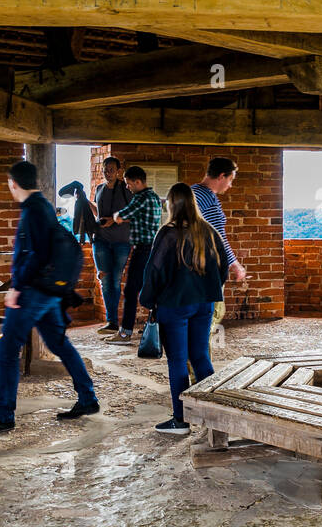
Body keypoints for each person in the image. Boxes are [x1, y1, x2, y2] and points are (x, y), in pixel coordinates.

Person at [0, 160, 99, 437]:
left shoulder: (34, 210)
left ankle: (4, 415)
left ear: (13, 183)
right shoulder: (42, 206)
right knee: (58, 343)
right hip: (49, 291)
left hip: (34, 291)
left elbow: (37, 254)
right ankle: (87, 399)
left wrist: (18, 286)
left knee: (6, 351)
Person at [139, 182, 227, 436]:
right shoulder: (208, 231)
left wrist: (148, 301)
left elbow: (154, 272)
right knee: (200, 357)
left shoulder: (168, 234)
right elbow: (221, 270)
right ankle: (212, 415)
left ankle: (181, 420)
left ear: (171, 204)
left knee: (178, 360)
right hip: (204, 304)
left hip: (174, 305)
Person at [191, 158, 247, 350]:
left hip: (191, 267)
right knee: (213, 313)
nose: (230, 186)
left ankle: (195, 363)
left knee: (198, 317)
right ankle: (199, 368)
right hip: (208, 268)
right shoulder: (209, 198)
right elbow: (218, 238)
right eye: (230, 180)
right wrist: (235, 265)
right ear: (222, 176)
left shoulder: (191, 192)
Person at [106, 165, 161, 343]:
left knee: (131, 291)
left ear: (138, 182)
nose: (128, 187)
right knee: (152, 290)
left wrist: (115, 216)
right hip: (153, 248)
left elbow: (121, 215)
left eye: (129, 184)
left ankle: (125, 332)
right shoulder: (153, 197)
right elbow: (139, 216)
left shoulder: (141, 197)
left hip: (142, 249)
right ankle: (156, 326)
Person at [88, 156, 132, 333]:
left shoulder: (125, 190)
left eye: (111, 169)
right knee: (105, 279)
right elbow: (99, 212)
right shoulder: (99, 188)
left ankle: (114, 321)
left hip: (121, 241)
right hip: (101, 240)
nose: (108, 172)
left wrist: (113, 221)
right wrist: (85, 203)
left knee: (115, 281)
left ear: (119, 171)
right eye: (105, 169)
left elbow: (133, 214)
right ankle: (111, 322)